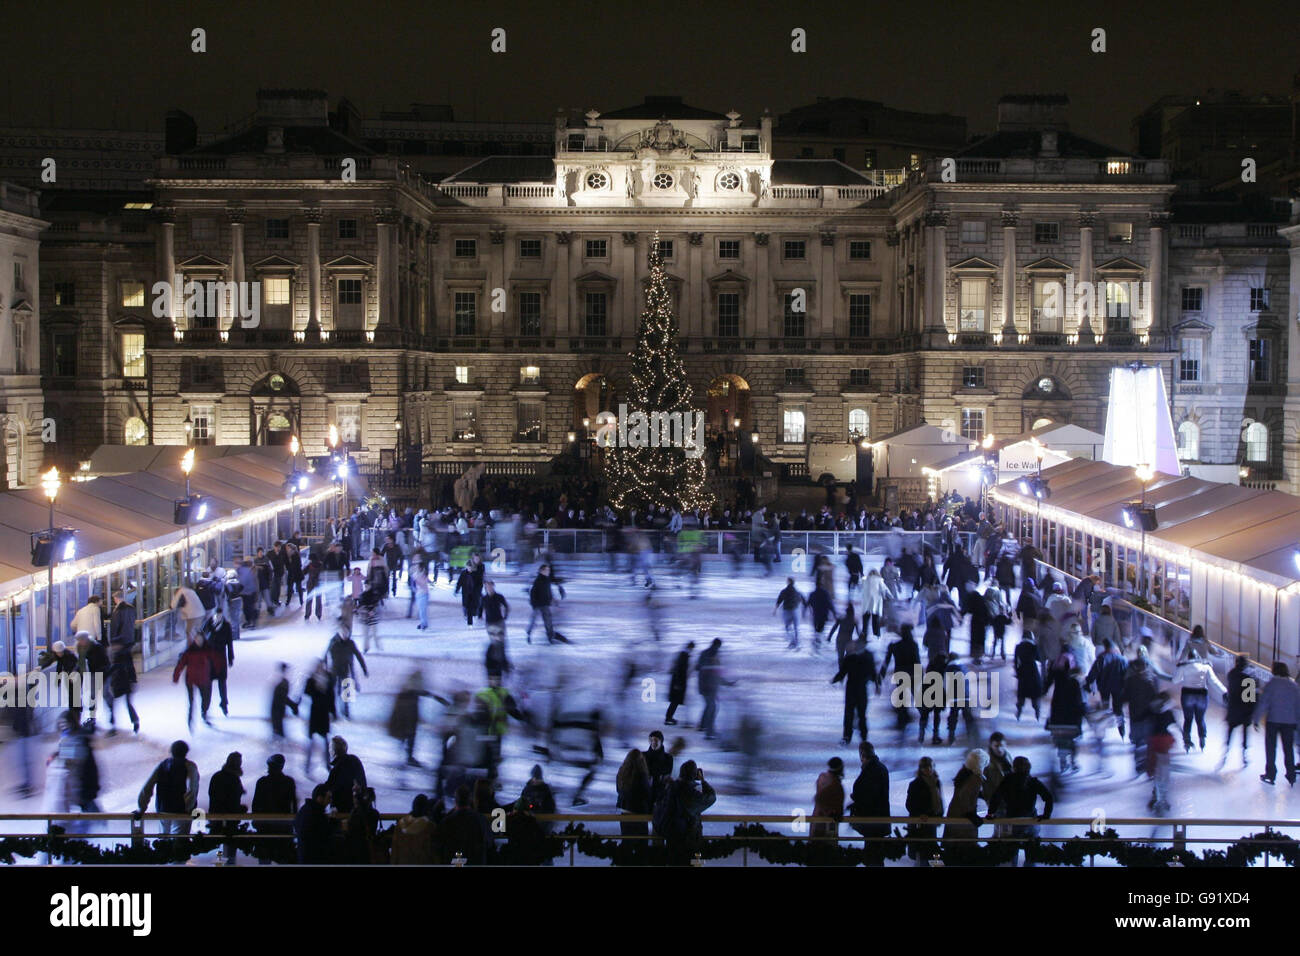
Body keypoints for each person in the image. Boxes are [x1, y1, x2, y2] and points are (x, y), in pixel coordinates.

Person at [988, 756, 1054, 866]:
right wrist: (1046, 815)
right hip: (1030, 822)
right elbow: (1048, 797)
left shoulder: (1008, 780)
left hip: (1012, 822)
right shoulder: (1033, 781)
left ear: (1014, 767)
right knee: (1031, 854)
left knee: (1011, 854)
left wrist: (991, 813)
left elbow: (996, 797)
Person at [654, 760, 716, 865]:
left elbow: (658, 804)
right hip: (690, 839)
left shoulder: (670, 790)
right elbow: (711, 797)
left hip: (672, 837)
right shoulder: (693, 795)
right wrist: (703, 781)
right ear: (694, 775)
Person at [137, 740, 200, 835]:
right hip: (181, 810)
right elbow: (192, 789)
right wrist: (189, 808)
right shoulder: (190, 767)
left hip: (163, 809)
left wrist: (141, 808)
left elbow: (147, 787)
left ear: (171, 751)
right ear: (186, 752)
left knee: (163, 838)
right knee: (179, 840)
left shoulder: (163, 765)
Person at [1254, 661, 1300, 786]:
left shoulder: (1271, 684)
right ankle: (1291, 775)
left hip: (1273, 721)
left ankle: (1270, 774)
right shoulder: (1294, 686)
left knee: (1270, 748)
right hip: (1289, 722)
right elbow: (1298, 706)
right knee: (1288, 749)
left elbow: (1263, 703)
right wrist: (1298, 723)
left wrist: (1256, 719)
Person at [1173, 648, 1227, 753]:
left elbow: (1175, 680)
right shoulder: (1206, 667)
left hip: (1187, 694)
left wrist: (1180, 671)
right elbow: (1214, 681)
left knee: (1188, 719)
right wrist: (1224, 692)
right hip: (1201, 695)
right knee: (1200, 719)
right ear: (1198, 656)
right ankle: (1202, 739)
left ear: (1188, 657)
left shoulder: (1183, 666)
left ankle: (1187, 741)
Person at [250, 754, 298, 864]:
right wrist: (293, 822)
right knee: (284, 858)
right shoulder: (289, 782)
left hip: (265, 828)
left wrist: (257, 821)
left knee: (264, 858)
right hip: (284, 828)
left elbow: (255, 805)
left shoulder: (262, 782)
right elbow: (294, 805)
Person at [831, 640, 878, 746]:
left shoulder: (849, 658)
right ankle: (864, 737)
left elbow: (842, 673)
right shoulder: (867, 658)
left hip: (851, 690)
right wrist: (876, 685)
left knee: (849, 713)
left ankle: (847, 736)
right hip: (862, 689)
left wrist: (834, 680)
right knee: (862, 713)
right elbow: (873, 673)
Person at [848, 742, 890, 862]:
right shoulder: (879, 767)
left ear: (862, 755)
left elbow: (868, 794)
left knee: (873, 853)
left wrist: (856, 798)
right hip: (878, 819)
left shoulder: (871, 769)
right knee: (875, 852)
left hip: (872, 819)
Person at [1085, 639, 1129, 739]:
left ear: (1106, 647)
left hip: (1104, 687)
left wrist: (1088, 684)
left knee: (1105, 708)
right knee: (1118, 709)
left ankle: (1102, 731)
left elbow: (1093, 673)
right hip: (1118, 688)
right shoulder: (1122, 659)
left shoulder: (1102, 658)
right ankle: (1122, 731)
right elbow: (1127, 674)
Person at [172, 634, 218, 731]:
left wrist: (216, 674)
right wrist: (176, 676)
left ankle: (204, 713)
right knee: (191, 701)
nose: (198, 642)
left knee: (205, 699)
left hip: (203, 680)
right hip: (191, 680)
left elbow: (215, 662)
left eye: (200, 640)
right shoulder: (189, 651)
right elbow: (181, 664)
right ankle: (190, 718)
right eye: (197, 640)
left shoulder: (207, 650)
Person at [208, 751, 247, 862]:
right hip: (231, 816)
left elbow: (212, 794)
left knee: (218, 840)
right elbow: (233, 799)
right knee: (230, 840)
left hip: (216, 814)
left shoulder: (217, 776)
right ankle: (230, 861)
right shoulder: (234, 779)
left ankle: (219, 860)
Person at [440, 783, 491, 864]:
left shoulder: (447, 821)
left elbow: (440, 846)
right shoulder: (482, 820)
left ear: (455, 801)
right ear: (470, 800)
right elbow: (488, 843)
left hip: (455, 864)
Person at [1047, 667, 1086, 774]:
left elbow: (1054, 704)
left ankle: (1063, 764)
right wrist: (1083, 711)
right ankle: (1073, 763)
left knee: (1061, 743)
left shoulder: (1059, 685)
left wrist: (1052, 720)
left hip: (1058, 721)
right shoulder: (1075, 684)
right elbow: (1078, 703)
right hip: (1071, 721)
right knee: (1072, 743)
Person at [904, 756, 943, 863]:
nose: (928, 769)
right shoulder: (915, 784)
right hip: (919, 824)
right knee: (922, 852)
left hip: (931, 822)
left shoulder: (936, 782)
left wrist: (939, 814)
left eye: (930, 767)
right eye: (925, 767)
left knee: (931, 851)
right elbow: (909, 804)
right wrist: (920, 814)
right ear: (920, 769)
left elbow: (939, 800)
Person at [326, 626, 368, 720]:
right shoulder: (333, 642)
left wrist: (364, 668)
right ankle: (333, 711)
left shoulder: (350, 643)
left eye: (346, 634)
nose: (345, 636)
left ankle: (346, 710)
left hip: (345, 669)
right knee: (333, 692)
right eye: (343, 634)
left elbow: (358, 655)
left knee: (347, 691)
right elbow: (326, 654)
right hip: (335, 670)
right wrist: (326, 667)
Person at [200, 605, 235, 718]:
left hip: (218, 658)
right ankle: (206, 708)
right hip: (211, 658)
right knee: (211, 685)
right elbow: (201, 636)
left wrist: (231, 657)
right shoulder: (211, 623)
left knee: (220, 683)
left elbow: (229, 642)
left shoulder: (225, 625)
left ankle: (222, 705)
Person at [1221, 655, 1255, 769]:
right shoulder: (1249, 678)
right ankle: (1244, 755)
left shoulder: (1231, 675)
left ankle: (1225, 752)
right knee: (1245, 733)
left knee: (1230, 732)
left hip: (1233, 709)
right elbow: (1250, 698)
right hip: (1244, 711)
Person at [302, 663, 336, 773]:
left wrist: (333, 711)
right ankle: (310, 765)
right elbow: (307, 692)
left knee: (323, 740)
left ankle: (325, 764)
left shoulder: (327, 679)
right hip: (318, 713)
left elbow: (331, 696)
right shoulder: (313, 679)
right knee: (315, 740)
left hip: (321, 713)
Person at [615, 748, 654, 837]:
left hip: (624, 811)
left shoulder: (621, 773)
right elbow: (647, 794)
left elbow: (618, 790)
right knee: (641, 841)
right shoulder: (642, 775)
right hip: (639, 813)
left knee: (627, 839)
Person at [324, 736, 367, 814]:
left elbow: (330, 788)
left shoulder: (338, 767)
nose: (328, 750)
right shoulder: (355, 760)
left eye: (330, 748)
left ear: (334, 751)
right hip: (360, 808)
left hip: (342, 810)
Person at [293, 784, 334, 864]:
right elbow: (326, 832)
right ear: (320, 798)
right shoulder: (317, 814)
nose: (330, 801)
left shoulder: (305, 809)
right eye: (328, 798)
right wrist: (333, 820)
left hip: (304, 855)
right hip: (315, 857)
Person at [106, 637, 139, 736]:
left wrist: (133, 680)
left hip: (123, 683)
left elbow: (118, 668)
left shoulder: (121, 655)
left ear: (119, 645)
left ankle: (114, 725)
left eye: (115, 645)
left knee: (117, 703)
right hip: (122, 683)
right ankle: (134, 721)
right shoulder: (120, 654)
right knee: (122, 703)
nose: (113, 647)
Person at [525, 563, 564, 644]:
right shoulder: (538, 580)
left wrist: (553, 600)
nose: (548, 571)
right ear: (541, 571)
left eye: (548, 570)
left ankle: (550, 637)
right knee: (534, 620)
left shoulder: (547, 579)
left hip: (545, 604)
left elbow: (548, 592)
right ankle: (529, 634)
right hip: (537, 604)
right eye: (546, 570)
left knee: (548, 621)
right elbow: (532, 593)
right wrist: (534, 604)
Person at [811, 756, 846, 841]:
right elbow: (819, 798)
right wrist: (828, 812)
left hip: (817, 819)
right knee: (828, 846)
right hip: (828, 823)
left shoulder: (822, 777)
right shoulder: (836, 785)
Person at [1013, 631, 1044, 721]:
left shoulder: (1018, 647)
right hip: (1033, 671)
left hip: (1022, 672)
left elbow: (1015, 661)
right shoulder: (1034, 647)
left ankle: (1019, 713)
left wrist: (1017, 672)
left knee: (1021, 695)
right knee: (1035, 695)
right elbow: (1039, 658)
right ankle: (1037, 714)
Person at [665, 642, 693, 725]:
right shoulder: (684, 655)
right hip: (678, 682)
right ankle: (668, 718)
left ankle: (669, 717)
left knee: (675, 702)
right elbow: (680, 670)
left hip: (678, 682)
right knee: (675, 701)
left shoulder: (683, 655)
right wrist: (678, 683)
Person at [773, 578, 806, 649]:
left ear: (788, 582)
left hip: (787, 611)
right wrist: (805, 611)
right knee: (796, 627)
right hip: (796, 610)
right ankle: (797, 642)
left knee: (787, 627)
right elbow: (804, 601)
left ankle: (793, 641)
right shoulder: (797, 592)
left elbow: (779, 601)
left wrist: (775, 610)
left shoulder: (784, 591)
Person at [644, 730, 674, 801]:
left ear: (661, 742)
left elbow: (667, 773)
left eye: (656, 740)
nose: (653, 742)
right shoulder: (643, 756)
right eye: (651, 740)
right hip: (644, 791)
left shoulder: (668, 758)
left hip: (661, 793)